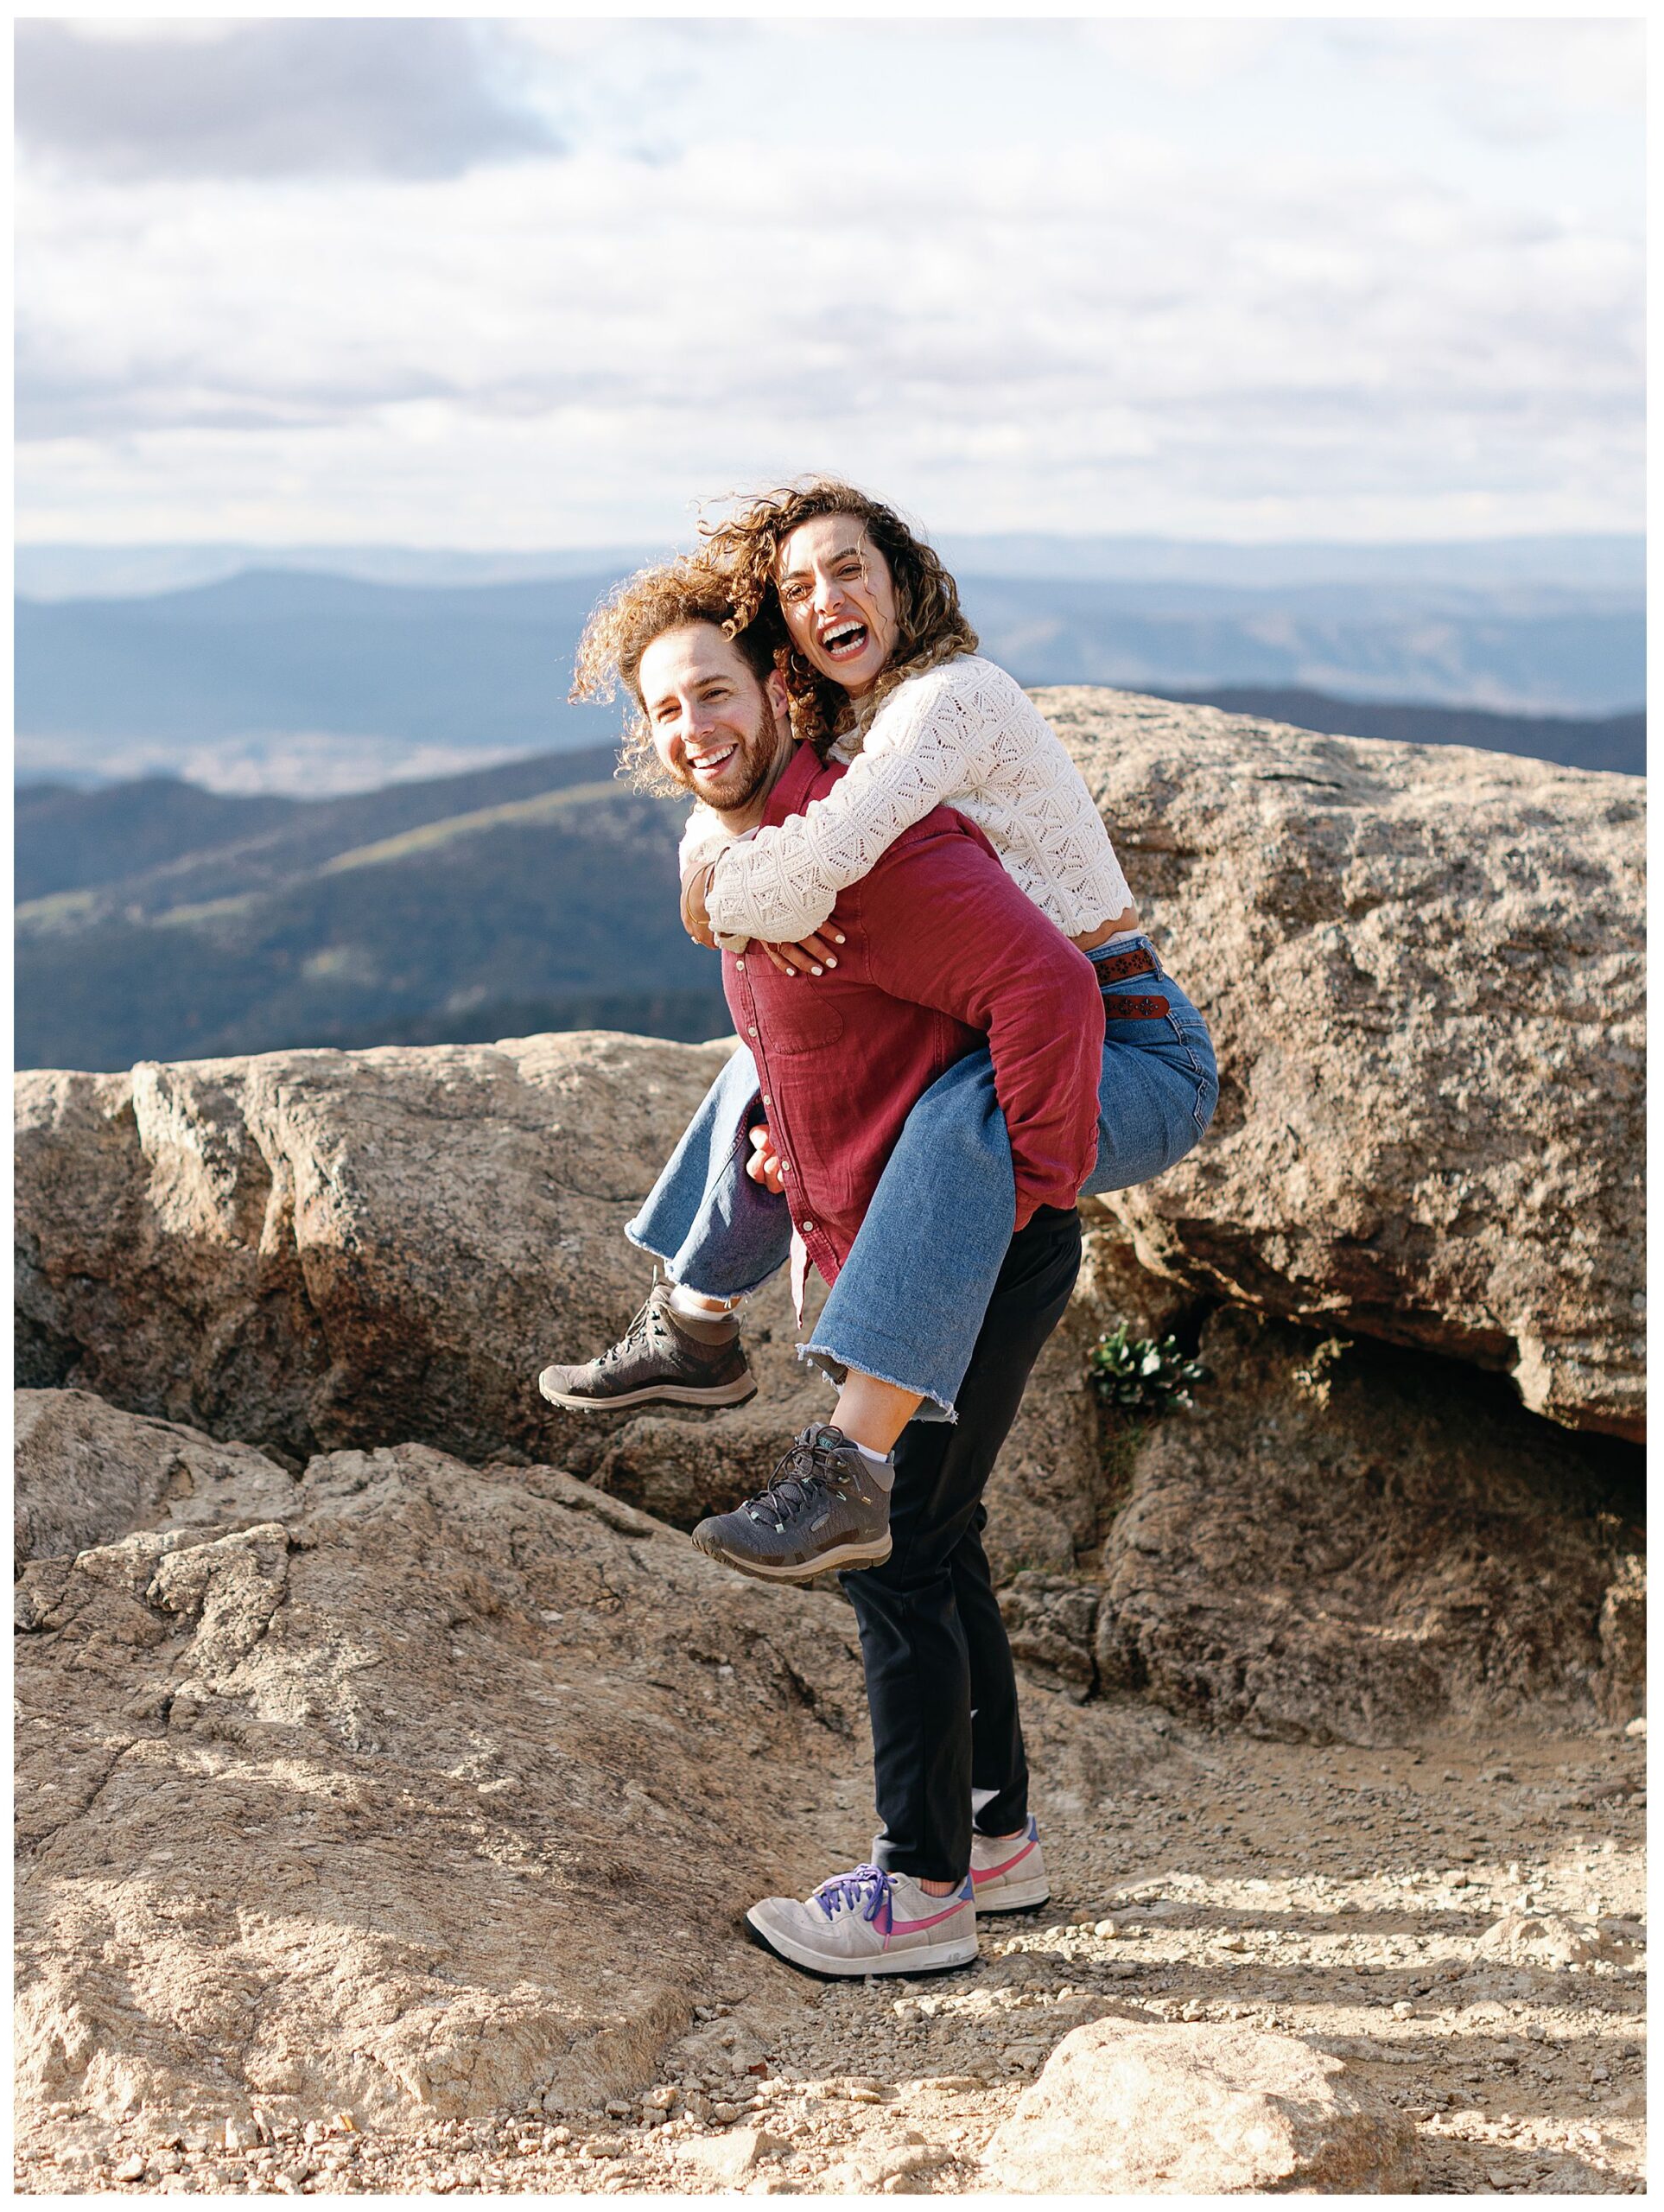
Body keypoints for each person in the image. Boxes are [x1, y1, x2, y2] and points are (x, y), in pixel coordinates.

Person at [555, 558, 1094, 1973]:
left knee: (891, 1553)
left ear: (781, 690)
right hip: (900, 1243)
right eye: (666, 710)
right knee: (936, 1537)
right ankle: (993, 1840)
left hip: (971, 1252)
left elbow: (1046, 989)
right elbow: (849, 1048)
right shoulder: (761, 856)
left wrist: (1029, 1186)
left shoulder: (869, 847)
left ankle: (920, 1895)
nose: (694, 728)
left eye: (714, 692)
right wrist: (794, 1152)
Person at [540, 479, 1216, 1587]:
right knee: (765, 1066)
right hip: (1012, 1027)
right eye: (797, 587)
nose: (826, 597)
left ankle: (849, 1467)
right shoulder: (842, 725)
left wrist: (1026, 1186)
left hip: (1131, 1044)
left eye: (848, 568)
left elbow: (810, 864)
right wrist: (720, 886)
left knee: (962, 1120)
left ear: (901, 580)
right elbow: (726, 823)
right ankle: (696, 1316)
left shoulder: (945, 700)